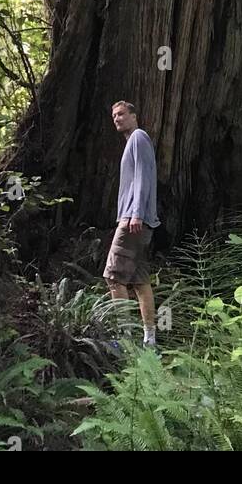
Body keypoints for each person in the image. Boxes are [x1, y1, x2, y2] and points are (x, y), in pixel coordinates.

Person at [103, 100, 161, 348]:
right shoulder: (133, 142)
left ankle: (123, 338)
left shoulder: (138, 137)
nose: (117, 118)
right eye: (114, 115)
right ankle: (149, 341)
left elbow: (142, 177)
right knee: (139, 281)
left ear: (134, 115)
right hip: (140, 221)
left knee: (113, 276)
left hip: (132, 221)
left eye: (122, 114)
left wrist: (135, 213)